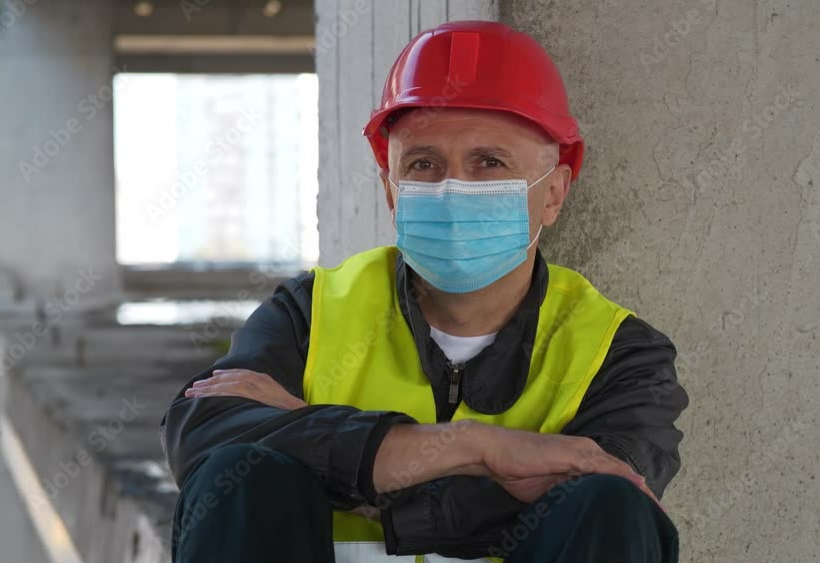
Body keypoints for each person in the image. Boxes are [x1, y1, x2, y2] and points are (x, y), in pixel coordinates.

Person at [160, 20, 689, 563]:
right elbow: (202, 433)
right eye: (423, 164)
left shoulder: (618, 356)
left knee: (611, 504)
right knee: (236, 472)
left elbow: (614, 498)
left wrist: (340, 461)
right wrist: (480, 449)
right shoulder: (311, 313)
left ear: (553, 193)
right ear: (392, 191)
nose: (451, 187)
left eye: (489, 162)